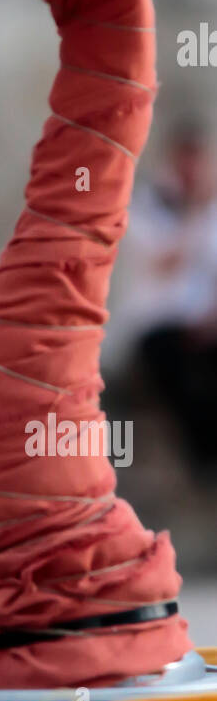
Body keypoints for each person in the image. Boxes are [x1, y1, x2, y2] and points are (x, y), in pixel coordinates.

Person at [121, 121, 217, 478]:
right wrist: (194, 211)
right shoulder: (148, 203)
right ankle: (203, 460)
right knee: (174, 373)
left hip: (205, 321)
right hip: (159, 323)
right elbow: (163, 262)